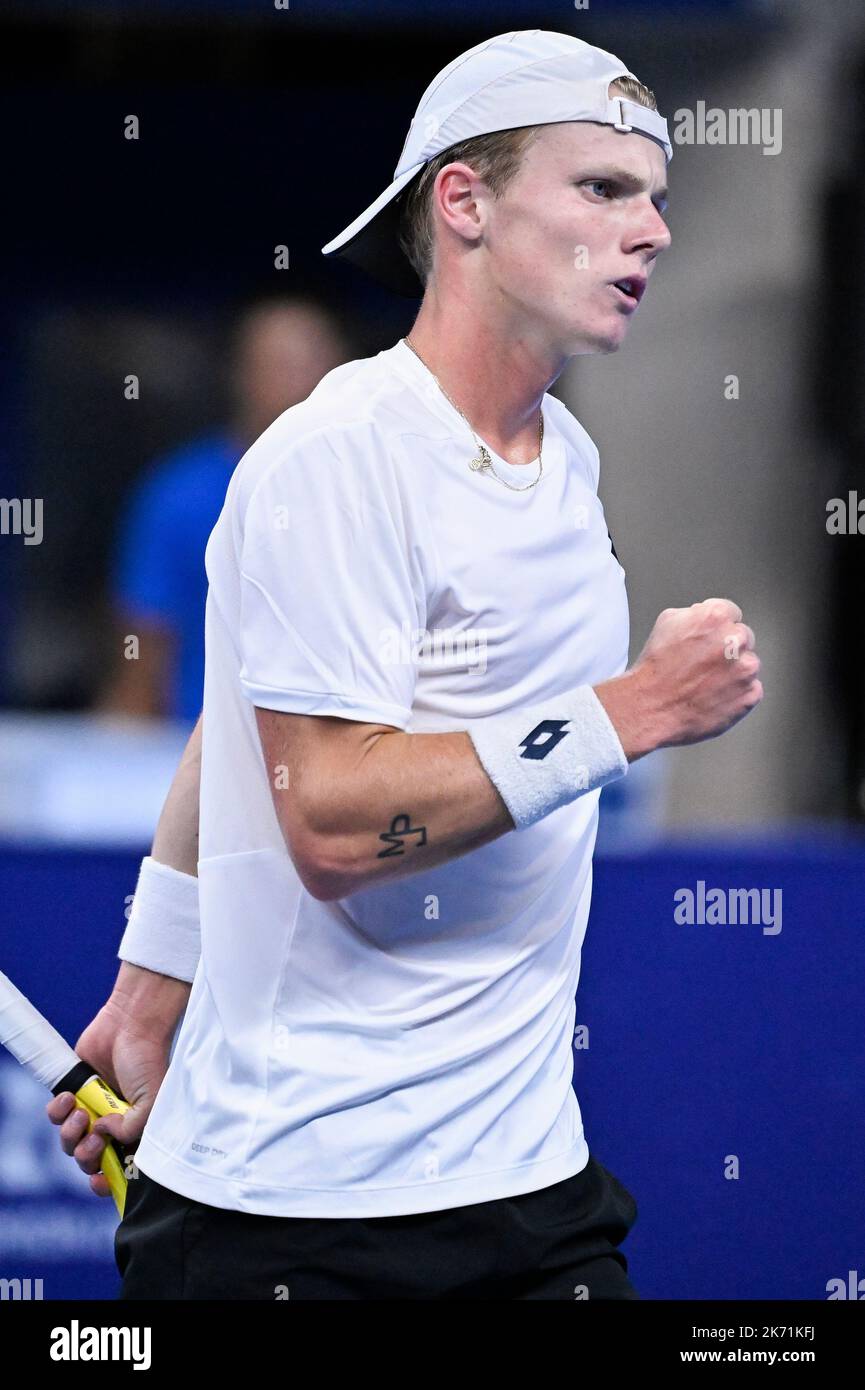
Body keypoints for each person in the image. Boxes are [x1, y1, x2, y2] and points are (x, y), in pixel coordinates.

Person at [48, 30, 763, 1300]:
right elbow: (326, 817)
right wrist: (630, 712)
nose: (650, 229)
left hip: (531, 1185)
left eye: (656, 197)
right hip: (295, 1221)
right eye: (602, 189)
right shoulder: (338, 458)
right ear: (465, 201)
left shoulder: (567, 465)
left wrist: (147, 996)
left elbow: (243, 719)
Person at [98, 295, 351, 721]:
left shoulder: (377, 490)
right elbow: (141, 663)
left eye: (310, 362)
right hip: (203, 754)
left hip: (345, 757)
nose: (297, 382)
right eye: (278, 364)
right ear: (241, 374)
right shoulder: (180, 495)